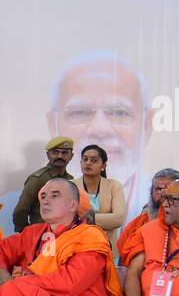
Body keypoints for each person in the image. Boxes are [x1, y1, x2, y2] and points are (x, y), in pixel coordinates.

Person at [0, 179, 125, 296]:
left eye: (55, 195)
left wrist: (22, 282)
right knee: (14, 292)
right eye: (43, 196)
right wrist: (6, 277)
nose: (45, 200)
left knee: (17, 292)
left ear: (73, 205)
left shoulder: (89, 236)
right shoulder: (33, 233)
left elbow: (70, 283)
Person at [45, 52, 155, 217]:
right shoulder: (17, 211)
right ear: (54, 125)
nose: (100, 129)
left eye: (119, 113)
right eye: (79, 112)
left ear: (146, 125)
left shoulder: (168, 208)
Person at [117, 168, 179, 267]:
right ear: (151, 192)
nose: (163, 193)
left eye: (169, 189)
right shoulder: (140, 223)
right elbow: (124, 258)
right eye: (158, 189)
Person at [12, 137, 76, 234]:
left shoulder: (70, 180)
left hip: (65, 235)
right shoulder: (37, 179)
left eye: (64, 153)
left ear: (71, 156)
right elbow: (20, 210)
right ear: (48, 155)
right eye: (55, 152)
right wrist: (27, 234)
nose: (60, 156)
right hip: (42, 235)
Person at [74, 144, 127, 247]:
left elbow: (119, 219)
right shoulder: (71, 186)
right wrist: (105, 220)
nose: (88, 163)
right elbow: (67, 219)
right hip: (77, 246)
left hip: (107, 246)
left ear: (103, 166)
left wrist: (85, 220)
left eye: (94, 160)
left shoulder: (114, 186)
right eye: (85, 159)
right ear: (80, 163)